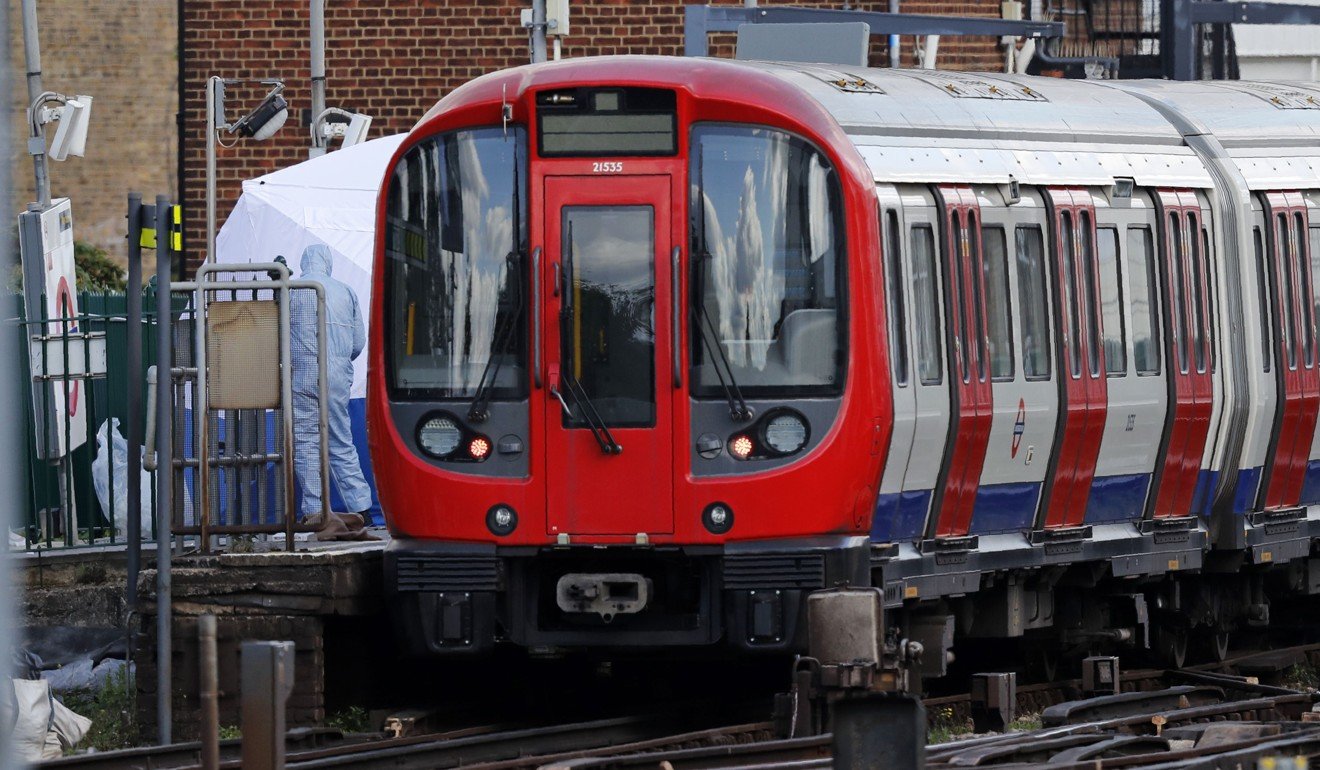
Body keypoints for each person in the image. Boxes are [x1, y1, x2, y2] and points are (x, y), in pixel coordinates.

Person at [290, 244, 376, 541]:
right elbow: (358, 342)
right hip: (337, 377)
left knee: (306, 442)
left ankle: (315, 510)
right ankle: (361, 508)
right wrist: (338, 361)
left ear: (304, 262)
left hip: (302, 374)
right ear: (328, 263)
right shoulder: (346, 291)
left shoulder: (291, 290)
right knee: (341, 440)